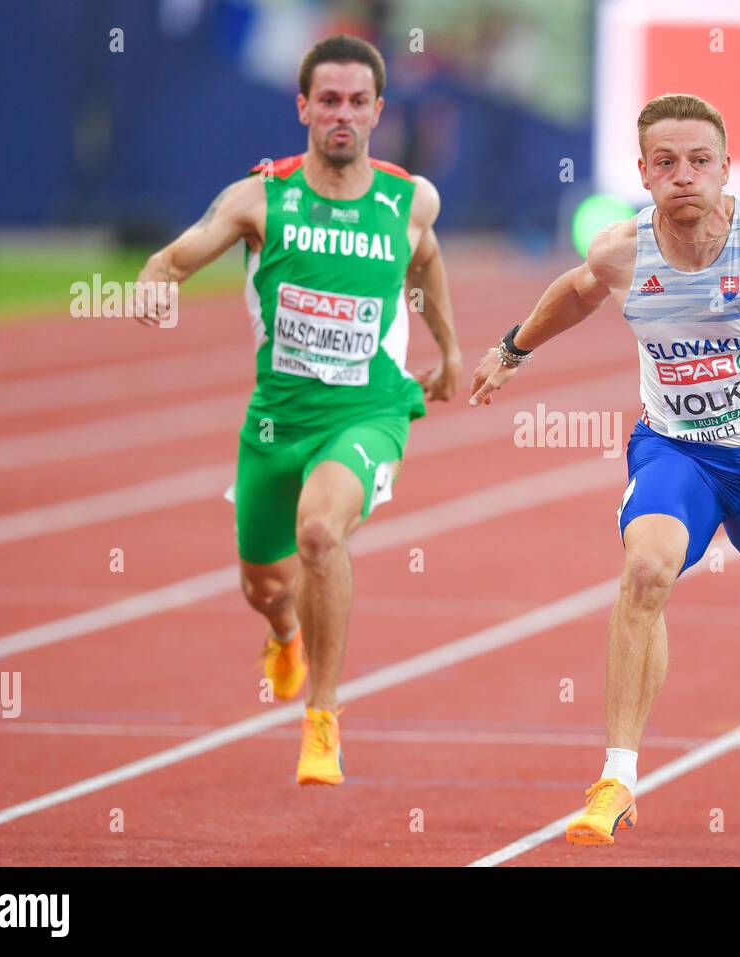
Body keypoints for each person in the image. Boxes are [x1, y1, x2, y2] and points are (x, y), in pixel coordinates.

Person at [469, 93, 740, 844]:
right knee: (647, 572)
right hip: (676, 451)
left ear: (727, 167)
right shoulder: (623, 251)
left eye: (699, 161)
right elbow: (576, 290)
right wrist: (512, 348)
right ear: (643, 172)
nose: (683, 175)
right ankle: (616, 780)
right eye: (666, 162)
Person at [136, 35, 461, 785]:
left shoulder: (409, 199)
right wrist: (155, 282)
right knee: (264, 585)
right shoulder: (260, 198)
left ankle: (323, 718)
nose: (341, 115)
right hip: (275, 424)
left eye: (356, 102)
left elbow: (428, 262)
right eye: (328, 101)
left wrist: (447, 353)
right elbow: (175, 257)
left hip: (368, 413)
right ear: (303, 107)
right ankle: (283, 633)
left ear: (379, 111)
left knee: (319, 532)